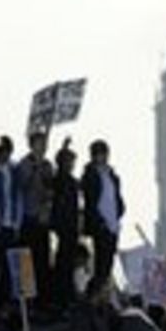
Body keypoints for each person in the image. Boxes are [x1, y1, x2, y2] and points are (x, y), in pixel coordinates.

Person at [81, 140, 125, 299]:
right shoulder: (90, 175)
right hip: (101, 225)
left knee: (108, 265)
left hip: (113, 225)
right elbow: (90, 202)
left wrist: (120, 211)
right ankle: (93, 297)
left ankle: (102, 297)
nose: (103, 157)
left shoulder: (112, 175)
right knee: (101, 264)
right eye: (99, 153)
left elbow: (116, 198)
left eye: (104, 153)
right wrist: (99, 222)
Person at [17, 131, 55, 310]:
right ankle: (27, 302)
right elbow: (22, 185)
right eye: (40, 143)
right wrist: (34, 169)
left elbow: (51, 187)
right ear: (32, 145)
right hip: (28, 217)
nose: (43, 147)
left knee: (43, 261)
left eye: (45, 144)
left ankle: (43, 300)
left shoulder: (48, 165)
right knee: (27, 261)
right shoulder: (25, 164)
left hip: (43, 218)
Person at [0, 136, 21, 307]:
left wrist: (17, 222)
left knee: (9, 266)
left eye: (8, 152)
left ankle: (4, 302)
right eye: (2, 152)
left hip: (11, 223)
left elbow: (17, 196)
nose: (5, 156)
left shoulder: (13, 169)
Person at [51, 138, 82, 307]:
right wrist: (64, 147)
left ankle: (67, 293)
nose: (72, 165)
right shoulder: (61, 180)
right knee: (63, 262)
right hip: (64, 226)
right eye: (70, 162)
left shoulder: (71, 181)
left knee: (69, 262)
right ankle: (61, 296)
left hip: (71, 225)